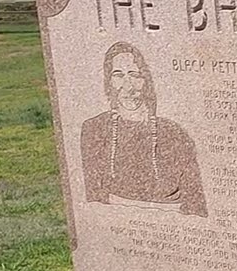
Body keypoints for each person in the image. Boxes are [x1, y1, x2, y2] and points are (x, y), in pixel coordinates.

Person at [80, 42, 207, 216]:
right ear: (108, 81)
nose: (128, 86)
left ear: (146, 81)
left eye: (135, 75)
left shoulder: (173, 132)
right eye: (118, 75)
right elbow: (93, 196)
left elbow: (195, 202)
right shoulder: (94, 128)